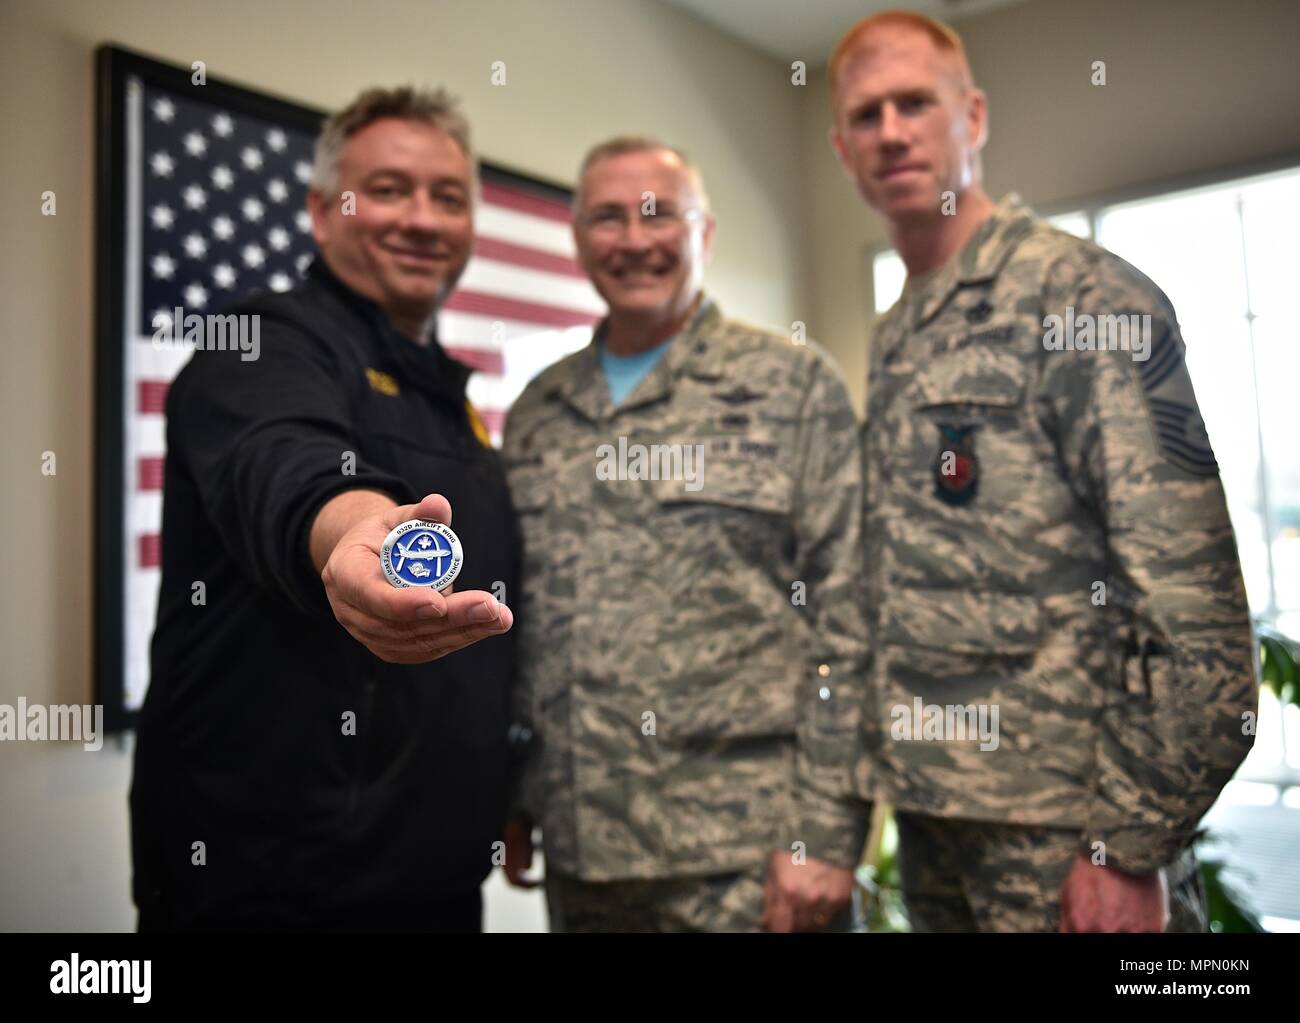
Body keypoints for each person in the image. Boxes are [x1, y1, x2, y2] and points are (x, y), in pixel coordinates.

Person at [828, 10, 1258, 932]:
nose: (892, 131)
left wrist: (1127, 841)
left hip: (1070, 840)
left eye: (916, 103)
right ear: (841, 146)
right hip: (940, 823)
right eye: (867, 115)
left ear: (973, 116)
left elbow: (1196, 612)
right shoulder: (903, 330)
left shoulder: (1081, 297)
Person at [130, 86, 517, 931]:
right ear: (321, 210)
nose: (422, 218)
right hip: (271, 890)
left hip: (437, 882)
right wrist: (355, 533)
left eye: (448, 197)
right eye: (387, 189)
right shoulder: (262, 342)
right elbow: (289, 462)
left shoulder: (453, 400)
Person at [500, 137, 870, 931]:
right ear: (577, 239)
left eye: (658, 213)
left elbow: (856, 612)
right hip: (583, 859)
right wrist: (517, 787)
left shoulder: (790, 386)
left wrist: (826, 830)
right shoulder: (538, 411)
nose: (634, 240)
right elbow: (526, 623)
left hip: (747, 862)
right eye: (607, 217)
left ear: (703, 233)